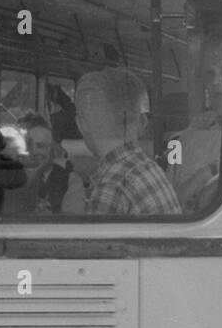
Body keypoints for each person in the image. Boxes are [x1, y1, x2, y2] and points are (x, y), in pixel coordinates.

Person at [74, 68, 181, 217]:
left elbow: (93, 241)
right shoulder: (149, 168)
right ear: (140, 122)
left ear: (81, 124)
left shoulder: (112, 185)